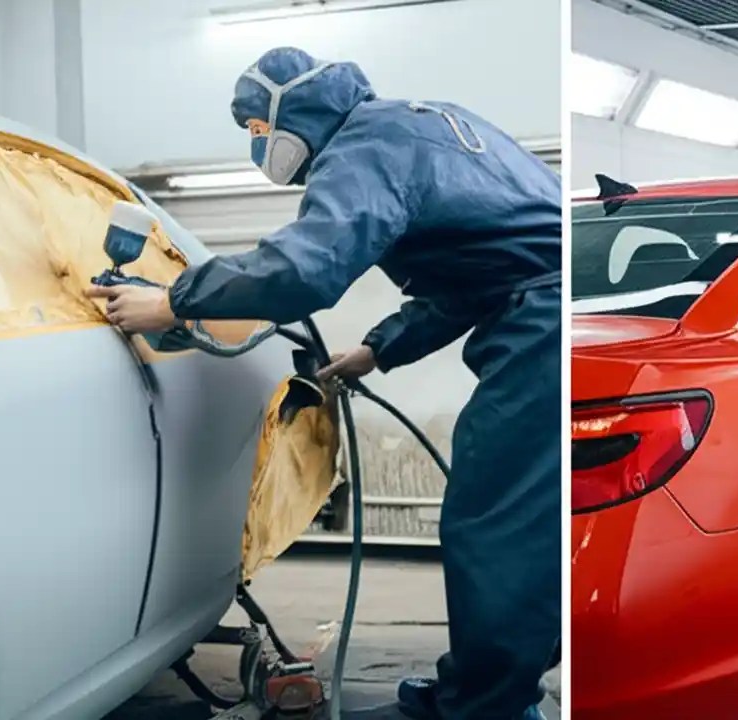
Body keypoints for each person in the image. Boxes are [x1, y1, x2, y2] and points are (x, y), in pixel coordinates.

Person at [88, 47, 561, 720]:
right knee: (520, 518)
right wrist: (377, 348)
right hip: (544, 314)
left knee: (494, 520)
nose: (259, 148)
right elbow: (484, 272)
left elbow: (304, 268)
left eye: (258, 132)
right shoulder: (423, 123)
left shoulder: (361, 146)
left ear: (294, 112)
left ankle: (486, 706)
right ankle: (498, 686)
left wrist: (173, 302)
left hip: (543, 330)